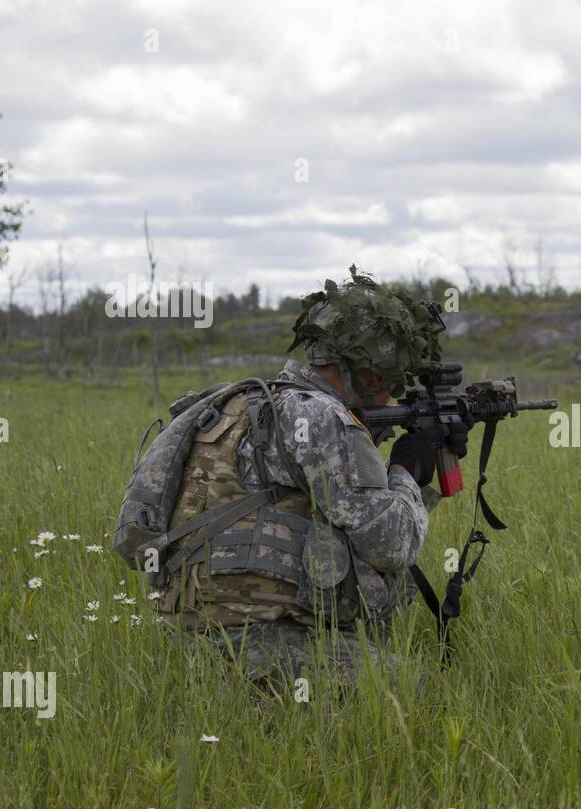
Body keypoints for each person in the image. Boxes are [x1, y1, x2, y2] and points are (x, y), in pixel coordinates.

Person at [116, 266, 464, 686]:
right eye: (391, 382)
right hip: (259, 645)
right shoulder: (320, 416)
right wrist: (411, 470)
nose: (391, 394)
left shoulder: (238, 402)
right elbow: (392, 545)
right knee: (426, 692)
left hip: (190, 640)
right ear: (371, 374)